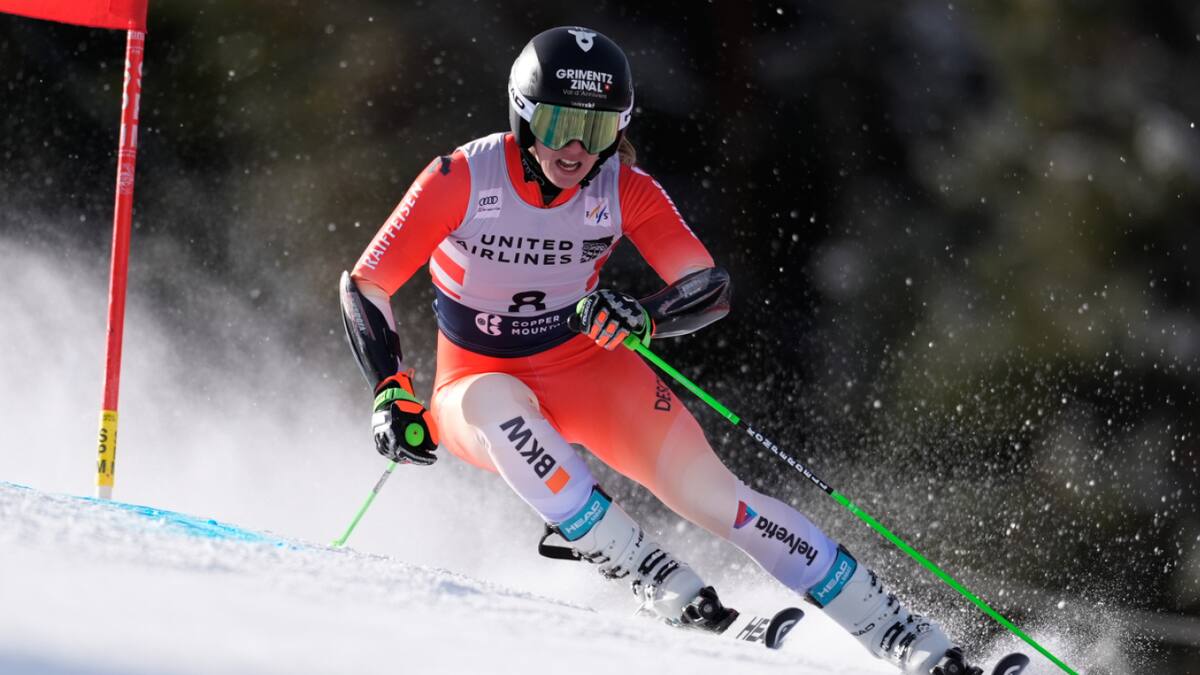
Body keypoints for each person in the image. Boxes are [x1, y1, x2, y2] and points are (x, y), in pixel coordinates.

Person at [341, 26, 981, 675]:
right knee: (493, 402)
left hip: (590, 370)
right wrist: (389, 387)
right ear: (523, 114)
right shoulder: (463, 176)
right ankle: (659, 579)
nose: (572, 148)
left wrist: (642, 316)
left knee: (722, 499)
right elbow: (366, 283)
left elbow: (707, 288)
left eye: (594, 132)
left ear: (618, 129)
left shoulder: (624, 189)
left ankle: (905, 634)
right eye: (559, 123)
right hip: (472, 381)